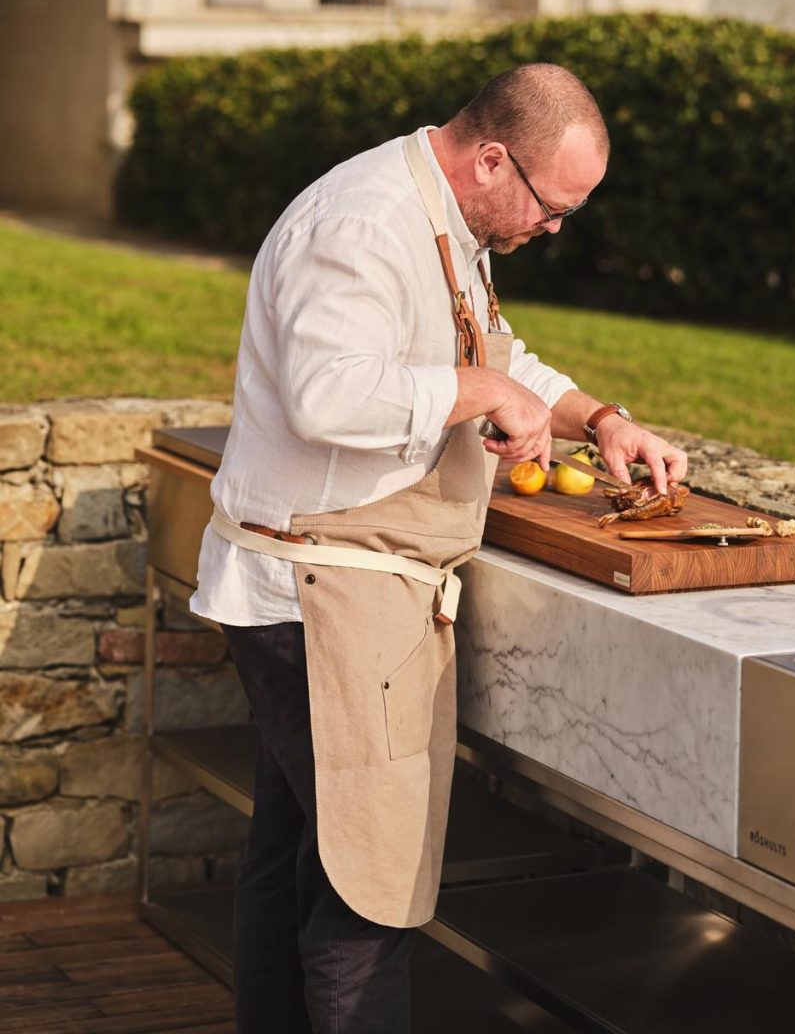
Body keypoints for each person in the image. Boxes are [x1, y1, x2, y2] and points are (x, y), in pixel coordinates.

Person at [190, 62, 687, 1034]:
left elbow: (493, 353)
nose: (552, 230)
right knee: (366, 892)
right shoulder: (364, 224)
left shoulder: (447, 222)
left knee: (298, 853)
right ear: (492, 157)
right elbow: (329, 394)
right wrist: (483, 398)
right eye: (551, 207)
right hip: (322, 595)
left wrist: (599, 419)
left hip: (346, 586)